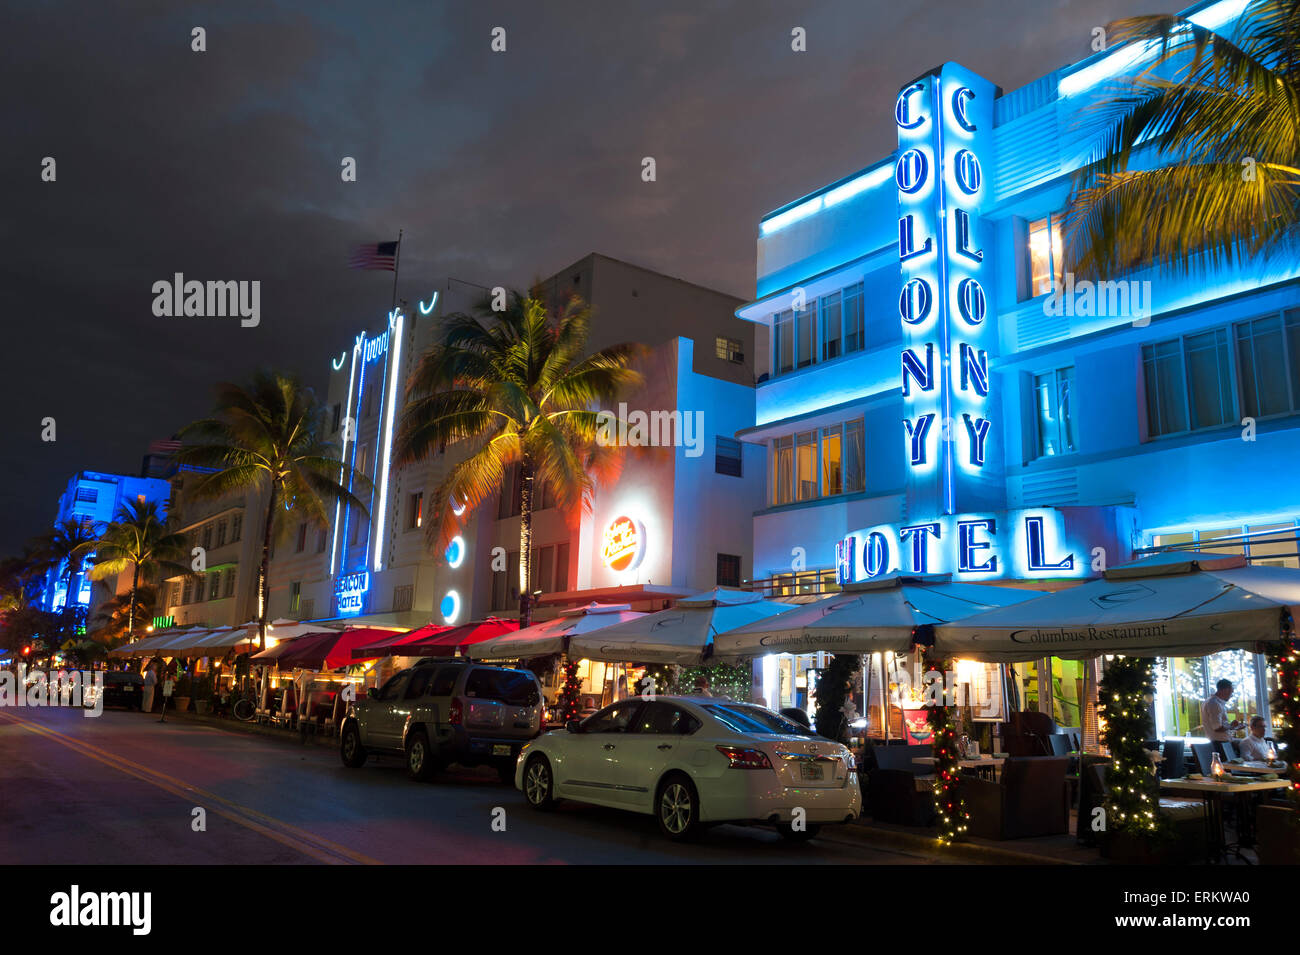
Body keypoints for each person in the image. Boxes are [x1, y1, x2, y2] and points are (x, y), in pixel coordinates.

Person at [1201, 679, 1244, 744]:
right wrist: (1232, 726)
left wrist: (1232, 726)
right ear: (1225, 690)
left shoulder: (1211, 701)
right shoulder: (1214, 704)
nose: (1231, 695)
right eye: (1231, 692)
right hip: (1220, 743)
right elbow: (1217, 728)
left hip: (1219, 741)